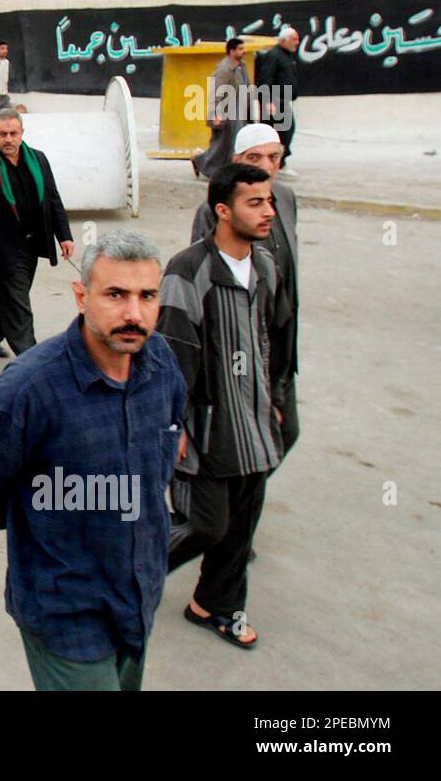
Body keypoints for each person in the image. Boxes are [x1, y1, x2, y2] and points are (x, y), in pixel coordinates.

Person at [0, 230, 186, 691]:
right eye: (115, 294)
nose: (134, 314)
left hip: (138, 597)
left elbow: (162, 462)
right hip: (65, 613)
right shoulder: (29, 388)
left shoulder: (160, 362)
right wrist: (42, 527)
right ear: (82, 296)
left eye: (147, 295)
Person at [158, 163, 291, 650]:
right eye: (255, 202)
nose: (267, 211)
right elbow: (171, 356)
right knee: (204, 524)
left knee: (239, 529)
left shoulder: (267, 268)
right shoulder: (188, 270)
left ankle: (216, 606)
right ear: (222, 209)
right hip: (208, 430)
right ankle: (119, 572)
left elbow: (273, 340)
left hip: (254, 428)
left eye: (269, 200)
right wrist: (174, 428)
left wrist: (274, 402)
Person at [191, 124, 299, 457]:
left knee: (286, 430)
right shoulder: (214, 210)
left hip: (279, 338)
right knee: (241, 438)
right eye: (255, 157)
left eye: (273, 157)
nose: (265, 165)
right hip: (240, 342)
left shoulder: (285, 198)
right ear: (236, 159)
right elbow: (204, 282)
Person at [0, 110, 74, 358]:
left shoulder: (39, 160)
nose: (8, 139)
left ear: (22, 133)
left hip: (32, 244)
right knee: (18, 302)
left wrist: (64, 235)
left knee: (12, 296)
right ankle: (31, 359)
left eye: (13, 133)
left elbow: (53, 199)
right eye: (3, 134)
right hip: (0, 248)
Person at [192, 37, 254, 180]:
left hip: (240, 111)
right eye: (240, 49)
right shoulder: (224, 69)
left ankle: (228, 172)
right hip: (226, 112)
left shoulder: (241, 66)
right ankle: (200, 161)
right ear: (231, 51)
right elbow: (216, 92)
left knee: (234, 143)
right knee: (221, 145)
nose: (243, 52)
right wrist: (216, 114)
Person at [255, 26, 300, 177]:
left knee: (286, 131)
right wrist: (268, 102)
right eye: (294, 39)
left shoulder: (286, 55)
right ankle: (278, 163)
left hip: (283, 99)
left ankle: (278, 162)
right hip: (275, 100)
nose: (297, 42)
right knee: (282, 132)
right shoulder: (273, 55)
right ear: (283, 41)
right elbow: (265, 79)